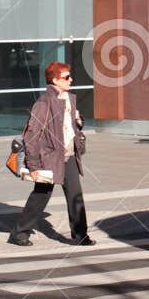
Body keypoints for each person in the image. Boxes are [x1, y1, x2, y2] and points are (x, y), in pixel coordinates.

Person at [10, 62, 92, 246]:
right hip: (49, 158)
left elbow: (71, 127)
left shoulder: (69, 99)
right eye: (66, 77)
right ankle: (19, 233)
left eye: (70, 76)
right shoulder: (44, 102)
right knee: (41, 195)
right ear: (55, 80)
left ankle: (80, 236)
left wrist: (78, 121)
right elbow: (31, 134)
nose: (71, 80)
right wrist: (33, 166)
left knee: (75, 196)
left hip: (69, 156)